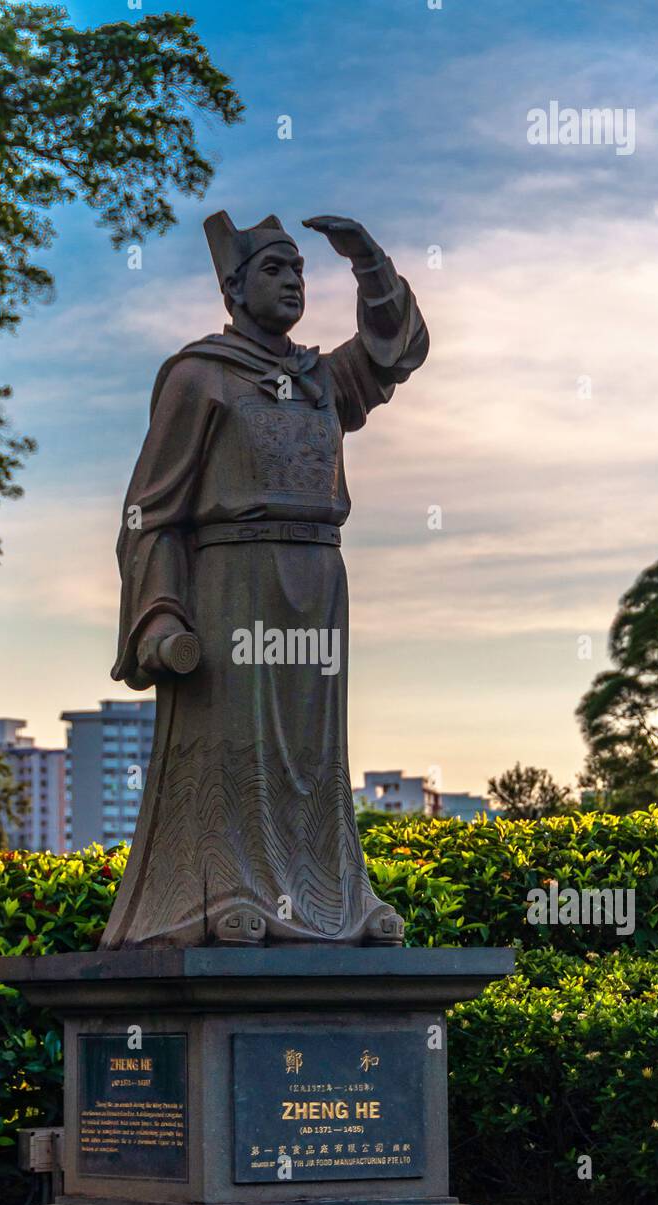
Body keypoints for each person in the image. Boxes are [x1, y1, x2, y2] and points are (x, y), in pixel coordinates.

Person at [101, 211, 429, 948]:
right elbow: (147, 512)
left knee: (312, 753)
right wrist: (158, 613)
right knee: (236, 746)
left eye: (298, 272)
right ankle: (222, 894)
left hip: (318, 580)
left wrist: (369, 265)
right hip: (233, 583)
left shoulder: (319, 381)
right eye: (274, 271)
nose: (291, 283)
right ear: (233, 286)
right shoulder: (200, 376)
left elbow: (393, 351)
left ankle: (329, 900)